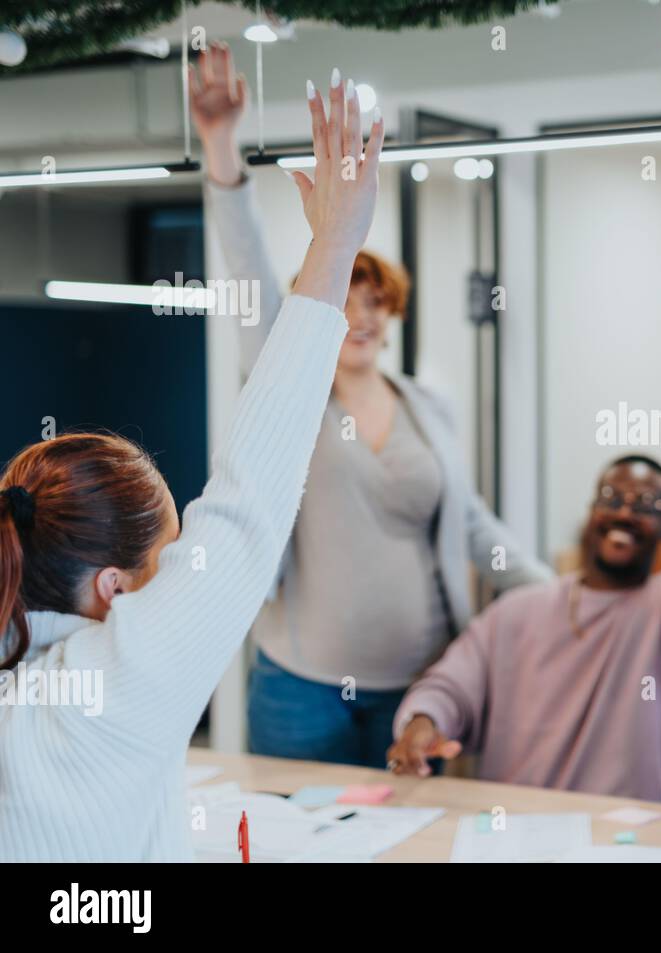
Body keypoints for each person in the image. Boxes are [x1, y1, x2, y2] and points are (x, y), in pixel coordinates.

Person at [0, 75, 383, 860]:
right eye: (170, 561)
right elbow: (251, 495)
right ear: (114, 588)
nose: (180, 579)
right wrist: (336, 243)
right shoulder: (120, 680)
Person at [189, 41, 550, 768]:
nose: (361, 317)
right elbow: (248, 268)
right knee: (301, 829)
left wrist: (562, 597)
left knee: (414, 829)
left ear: (393, 315)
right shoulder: (290, 392)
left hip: (421, 686)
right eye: (347, 300)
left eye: (377, 302)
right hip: (303, 687)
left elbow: (473, 523)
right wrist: (221, 147)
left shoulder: (428, 406)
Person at [386, 254, 661, 802]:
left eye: (647, 506)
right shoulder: (520, 613)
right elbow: (451, 685)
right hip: (511, 831)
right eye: (612, 498)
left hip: (625, 837)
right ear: (591, 512)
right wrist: (422, 724)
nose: (625, 512)